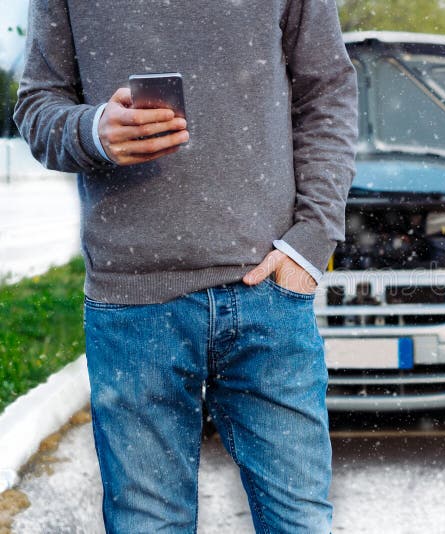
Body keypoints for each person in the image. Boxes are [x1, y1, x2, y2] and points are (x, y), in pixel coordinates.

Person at [14, 0, 358, 532]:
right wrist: (93, 131)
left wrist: (310, 242)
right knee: (148, 522)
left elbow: (328, 89)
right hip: (131, 301)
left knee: (299, 521)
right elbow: (37, 106)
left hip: (267, 289)